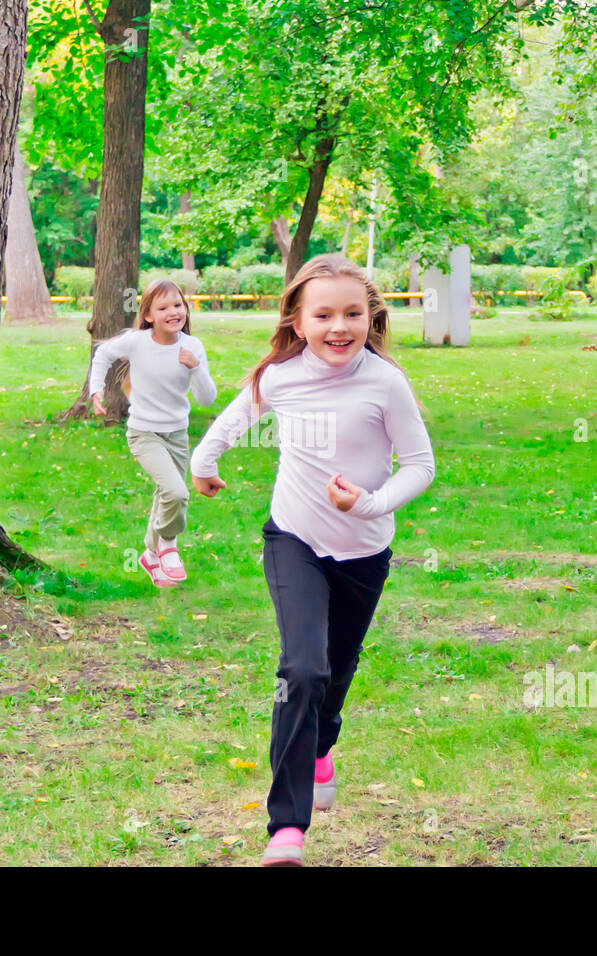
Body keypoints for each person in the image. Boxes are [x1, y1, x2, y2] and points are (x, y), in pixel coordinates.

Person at [190, 254, 435, 865]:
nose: (339, 327)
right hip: (293, 538)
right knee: (302, 668)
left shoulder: (385, 382)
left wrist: (371, 503)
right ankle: (286, 828)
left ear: (370, 315)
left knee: (337, 670)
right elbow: (236, 415)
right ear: (298, 322)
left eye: (353, 313)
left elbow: (422, 465)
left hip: (363, 550)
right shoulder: (282, 376)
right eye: (322, 315)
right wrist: (203, 461)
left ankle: (322, 743)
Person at [89, 278, 216, 586]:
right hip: (144, 433)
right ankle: (168, 544)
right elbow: (103, 353)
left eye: (178, 305)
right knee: (176, 492)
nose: (173, 312)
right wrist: (96, 391)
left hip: (177, 435)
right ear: (148, 315)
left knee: (165, 494)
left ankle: (149, 554)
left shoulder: (192, 347)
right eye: (163, 307)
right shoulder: (137, 342)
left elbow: (207, 399)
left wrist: (195, 367)